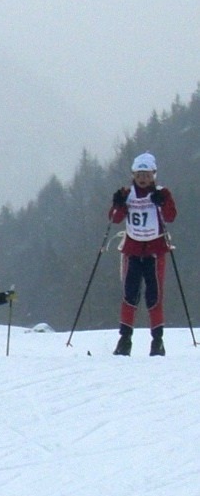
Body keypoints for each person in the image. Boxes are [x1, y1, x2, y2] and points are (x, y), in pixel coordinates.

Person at [108, 152, 176, 356]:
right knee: (130, 295)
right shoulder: (126, 193)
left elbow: (171, 216)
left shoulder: (162, 193)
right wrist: (118, 204)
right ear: (133, 175)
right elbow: (114, 218)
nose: (143, 178)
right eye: (139, 174)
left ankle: (157, 341)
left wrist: (162, 203)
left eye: (147, 174)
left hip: (155, 251)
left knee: (154, 296)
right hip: (132, 250)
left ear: (154, 174)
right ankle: (125, 339)